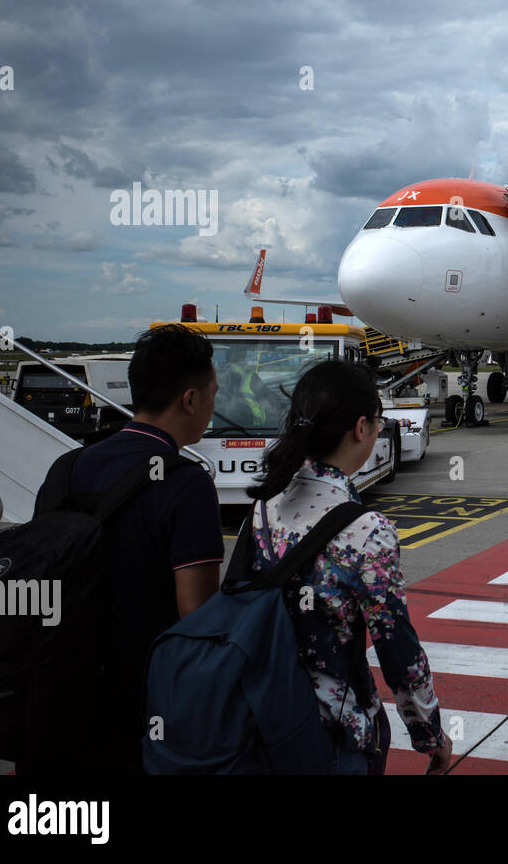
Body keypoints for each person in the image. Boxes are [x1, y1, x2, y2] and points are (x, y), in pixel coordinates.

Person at [26, 324, 223, 774]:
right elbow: (197, 614)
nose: (213, 405)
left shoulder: (68, 465)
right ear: (190, 400)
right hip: (134, 701)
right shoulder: (186, 484)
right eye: (212, 393)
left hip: (52, 690)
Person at [246, 360, 451, 774]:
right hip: (335, 734)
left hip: (264, 719)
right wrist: (431, 736)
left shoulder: (264, 509)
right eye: (378, 421)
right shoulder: (366, 531)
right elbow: (398, 651)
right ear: (361, 428)